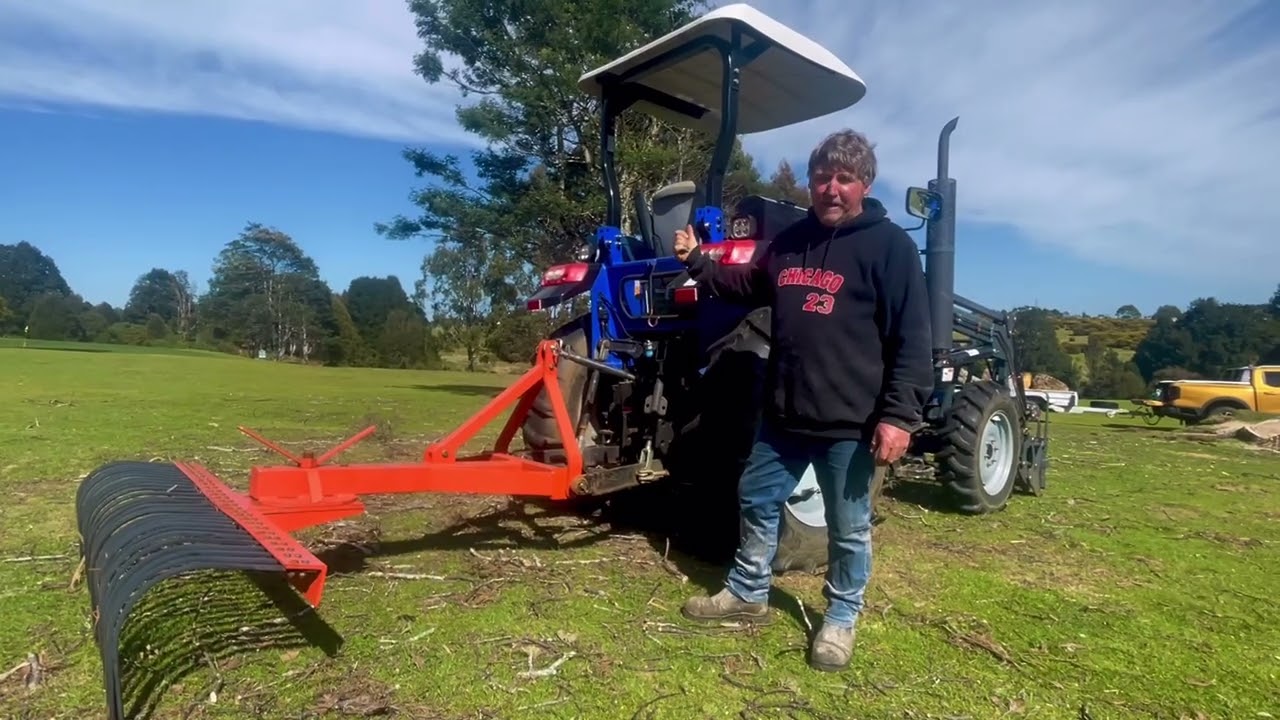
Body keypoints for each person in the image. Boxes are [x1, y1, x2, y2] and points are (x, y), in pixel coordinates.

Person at [674, 129, 933, 672]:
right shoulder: (791, 241)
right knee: (755, 498)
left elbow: (912, 338)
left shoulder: (891, 248)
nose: (830, 188)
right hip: (785, 415)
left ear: (864, 182)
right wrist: (700, 262)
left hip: (851, 423)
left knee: (849, 526)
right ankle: (748, 592)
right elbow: (746, 284)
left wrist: (899, 416)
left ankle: (840, 618)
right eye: (822, 177)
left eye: (844, 178)